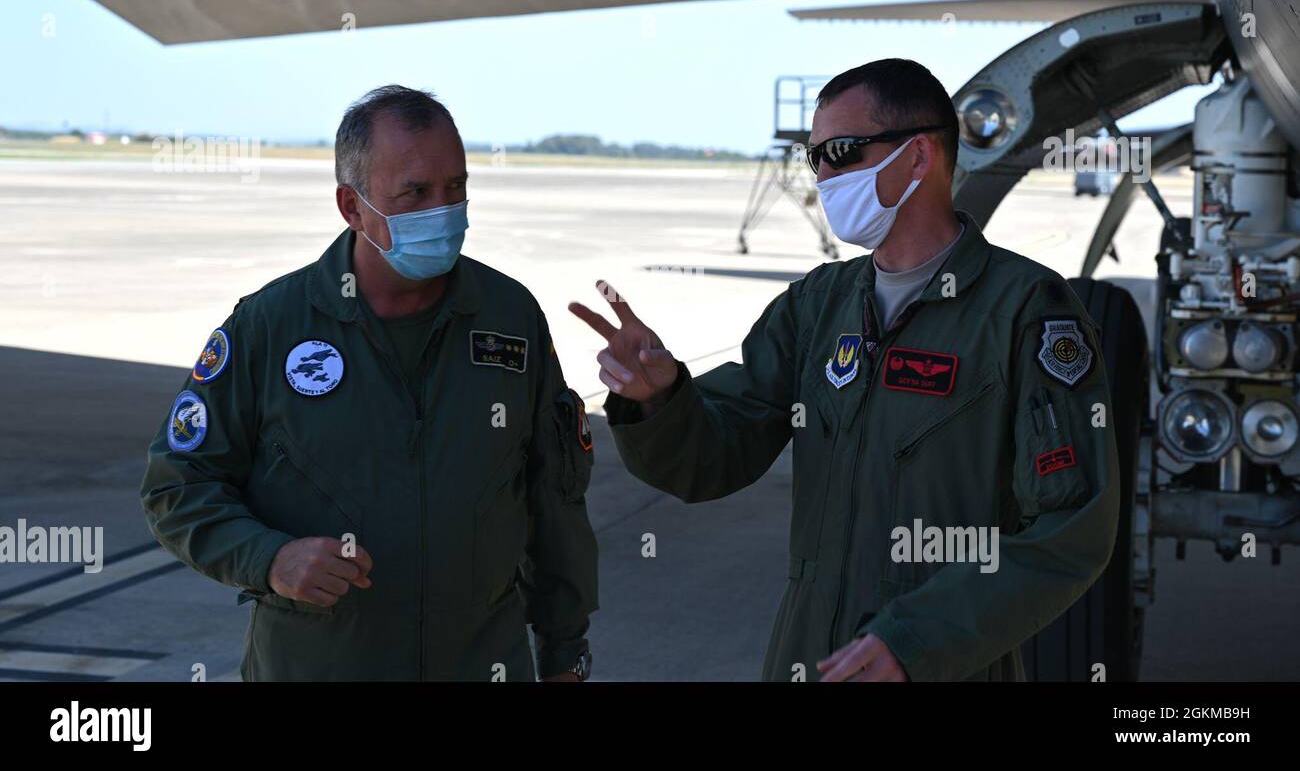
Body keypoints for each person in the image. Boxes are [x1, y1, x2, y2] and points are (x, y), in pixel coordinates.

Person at [569, 59, 1119, 681]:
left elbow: (1070, 530)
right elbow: (716, 454)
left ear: (919, 157)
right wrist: (660, 399)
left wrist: (916, 641)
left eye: (843, 151)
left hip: (942, 667)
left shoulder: (1026, 311)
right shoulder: (816, 307)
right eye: (815, 158)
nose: (824, 176)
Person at [141, 85, 598, 681]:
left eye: (456, 188)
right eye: (415, 192)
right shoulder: (270, 327)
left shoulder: (509, 320)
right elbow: (177, 486)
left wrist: (566, 653)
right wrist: (270, 559)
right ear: (352, 207)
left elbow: (553, 497)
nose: (444, 210)